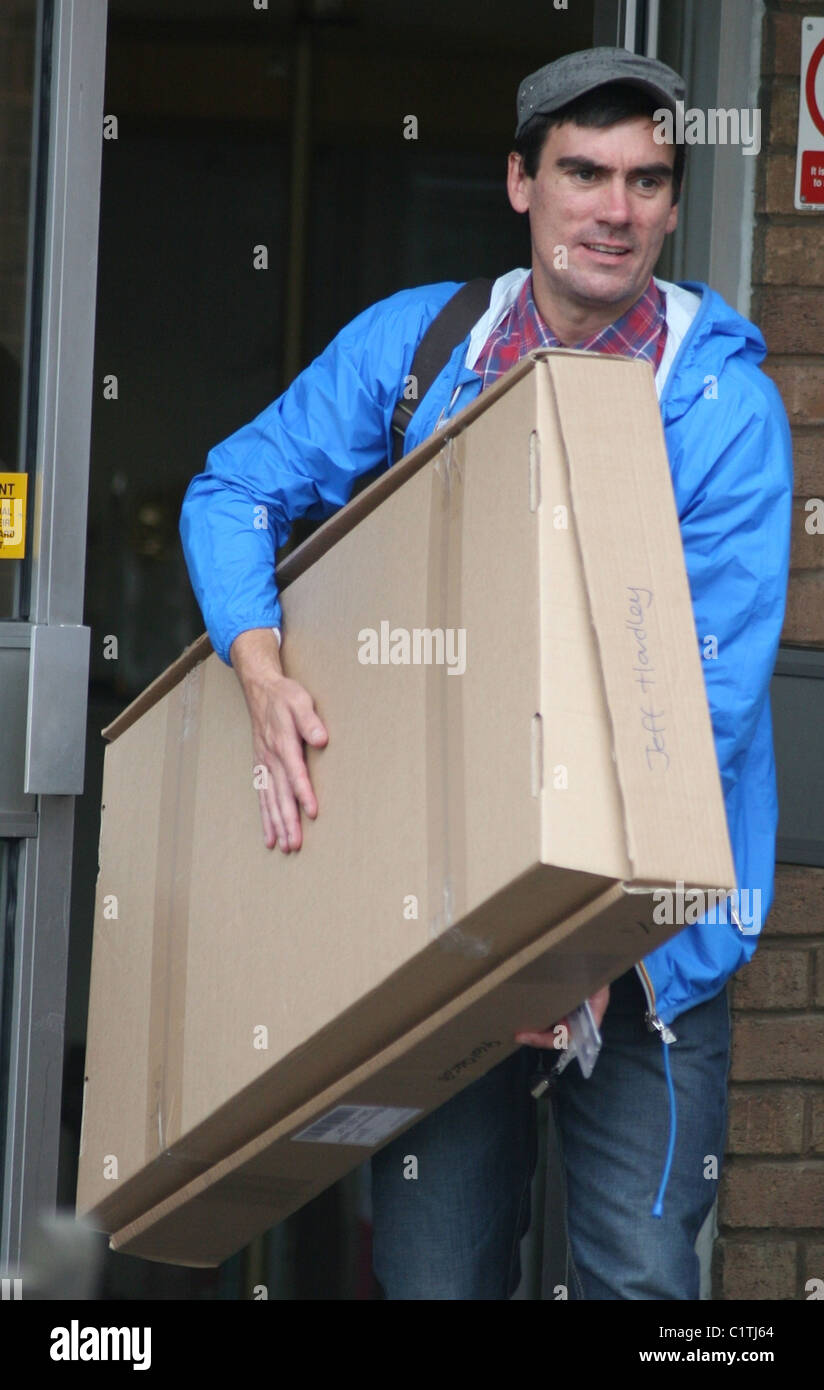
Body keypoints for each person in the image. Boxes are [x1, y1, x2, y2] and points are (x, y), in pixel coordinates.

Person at [179, 47, 793, 1299]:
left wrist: (561, 954)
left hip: (644, 951)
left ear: (674, 204)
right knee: (434, 1277)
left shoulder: (720, 405)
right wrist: (259, 667)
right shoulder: (422, 346)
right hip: (438, 936)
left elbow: (703, 706)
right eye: (581, 172)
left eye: (643, 179)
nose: (612, 209)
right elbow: (233, 487)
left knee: (638, 1283)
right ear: (520, 182)